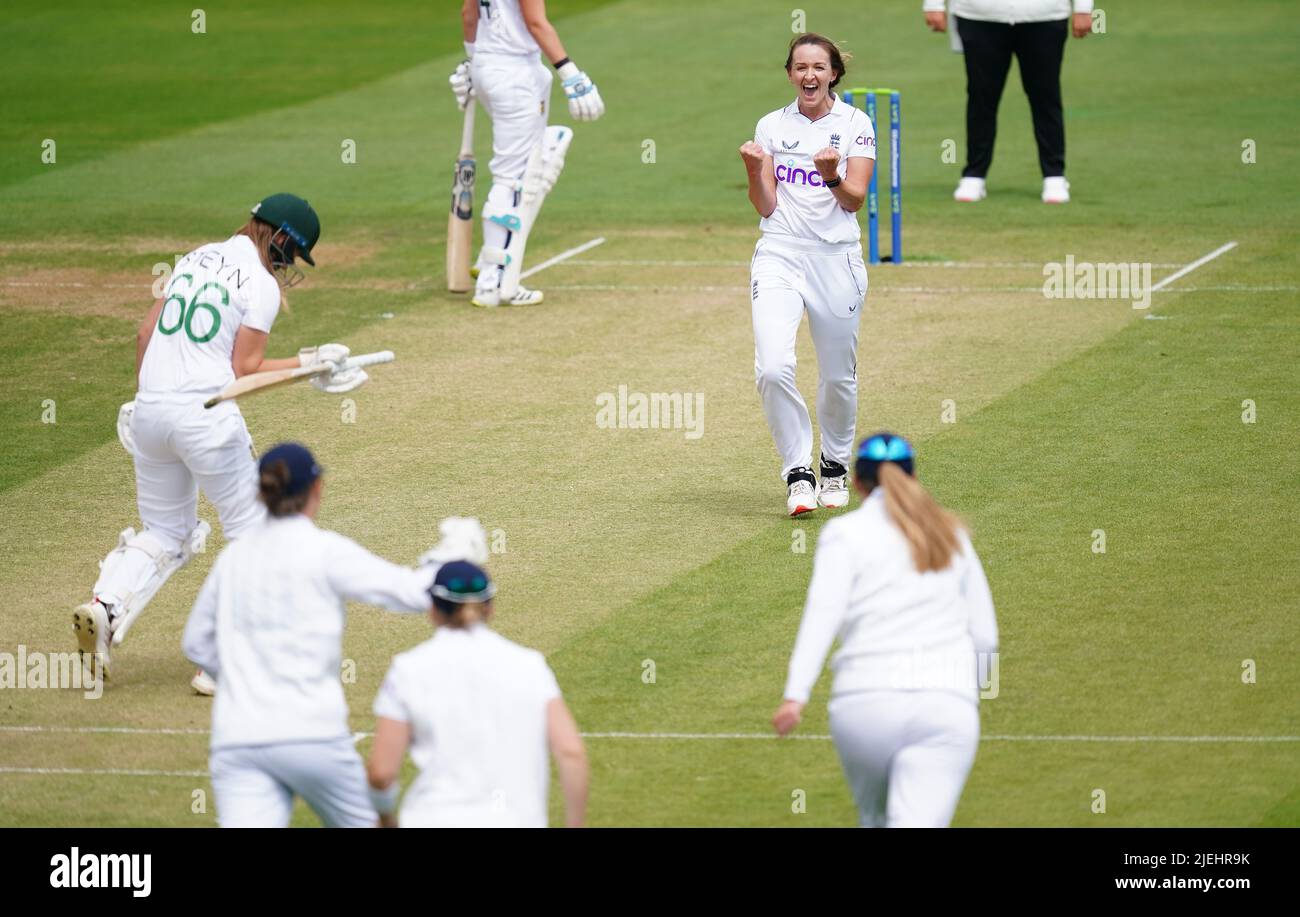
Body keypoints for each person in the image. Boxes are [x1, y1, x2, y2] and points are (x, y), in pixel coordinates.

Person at [75, 194, 366, 694]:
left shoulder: (194, 257)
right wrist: (311, 362)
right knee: (258, 533)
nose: (288, 265)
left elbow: (146, 333)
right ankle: (221, 662)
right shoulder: (259, 283)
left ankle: (104, 606)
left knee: (166, 530)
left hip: (150, 411)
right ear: (276, 236)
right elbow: (244, 371)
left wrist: (146, 398)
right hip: (205, 418)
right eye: (290, 253)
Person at [181, 443, 487, 828]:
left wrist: (246, 683)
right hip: (312, 734)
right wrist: (450, 559)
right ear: (317, 489)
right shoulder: (324, 551)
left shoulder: (233, 558)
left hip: (237, 739)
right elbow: (409, 592)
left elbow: (195, 642)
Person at [772, 433, 998, 827]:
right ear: (913, 477)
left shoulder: (843, 535)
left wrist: (796, 695)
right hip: (945, 706)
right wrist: (966, 694)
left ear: (857, 483)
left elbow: (822, 614)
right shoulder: (952, 535)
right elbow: (985, 636)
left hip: (863, 706)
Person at [739, 33, 874, 517]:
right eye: (801, 68)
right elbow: (766, 204)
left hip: (835, 258)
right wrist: (755, 170)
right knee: (773, 367)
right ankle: (798, 472)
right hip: (779, 254)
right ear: (791, 74)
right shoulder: (772, 125)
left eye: (819, 67)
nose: (810, 76)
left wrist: (832, 174)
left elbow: (855, 198)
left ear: (834, 73)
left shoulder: (856, 123)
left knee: (838, 376)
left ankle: (835, 464)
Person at [366, 560, 589, 828]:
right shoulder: (530, 665)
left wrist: (386, 820)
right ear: (490, 608)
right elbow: (570, 752)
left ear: (433, 609)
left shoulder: (407, 669)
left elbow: (381, 773)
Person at [452, 0, 605, 308]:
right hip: (515, 74)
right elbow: (535, 22)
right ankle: (492, 282)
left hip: (489, 69)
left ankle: (488, 261)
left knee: (534, 158)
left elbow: (468, 14)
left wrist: (474, 61)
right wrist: (570, 72)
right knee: (513, 175)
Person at [922, 0, 1094, 203]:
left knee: (1045, 96)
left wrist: (1083, 8)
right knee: (981, 96)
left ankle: (1054, 175)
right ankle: (974, 175)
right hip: (979, 14)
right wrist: (933, 5)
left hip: (1044, 14)